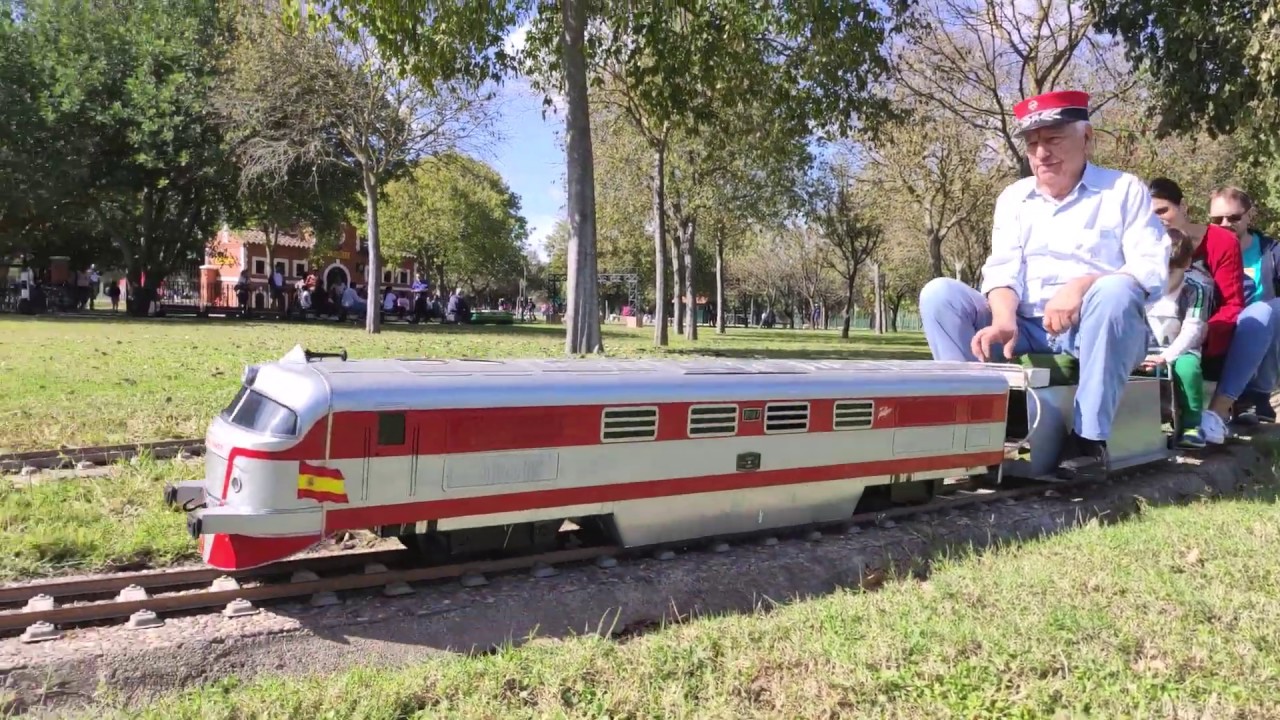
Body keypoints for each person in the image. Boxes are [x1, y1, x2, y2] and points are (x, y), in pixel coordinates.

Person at [919, 90, 1169, 481]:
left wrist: (1083, 285)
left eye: (1053, 140)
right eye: (1033, 143)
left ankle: (1089, 441)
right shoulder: (1014, 198)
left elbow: (1150, 270)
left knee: (1116, 291)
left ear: (1087, 138)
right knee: (940, 294)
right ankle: (967, 432)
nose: (1041, 153)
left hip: (1098, 325)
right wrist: (1003, 320)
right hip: (1027, 326)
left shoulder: (1123, 191)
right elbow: (1002, 270)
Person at [1206, 186, 1280, 429]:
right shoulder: (1201, 252)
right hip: (1218, 332)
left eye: (1234, 217)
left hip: (1263, 336)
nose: (1225, 224)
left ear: (1249, 215)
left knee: (1267, 312)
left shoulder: (1271, 252)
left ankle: (1255, 395)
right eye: (1217, 219)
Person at [1141, 227, 1209, 448]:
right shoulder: (1141, 288)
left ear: (1187, 264)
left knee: (1188, 369)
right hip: (1144, 351)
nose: (1162, 279)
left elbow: (1193, 328)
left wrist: (1167, 357)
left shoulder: (1195, 291)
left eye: (1170, 273)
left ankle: (1192, 425)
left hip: (1179, 350)